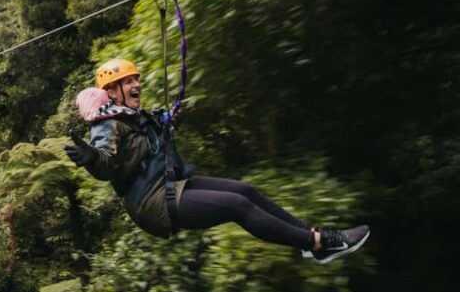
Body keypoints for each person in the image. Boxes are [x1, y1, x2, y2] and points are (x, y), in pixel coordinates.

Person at [63, 59, 369, 264]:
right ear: (111, 92)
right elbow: (105, 162)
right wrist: (91, 158)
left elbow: (153, 132)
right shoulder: (106, 125)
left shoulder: (138, 117)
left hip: (171, 183)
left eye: (135, 79)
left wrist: (168, 121)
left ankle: (310, 239)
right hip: (152, 201)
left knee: (245, 191)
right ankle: (318, 242)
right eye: (126, 81)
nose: (135, 85)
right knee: (238, 207)